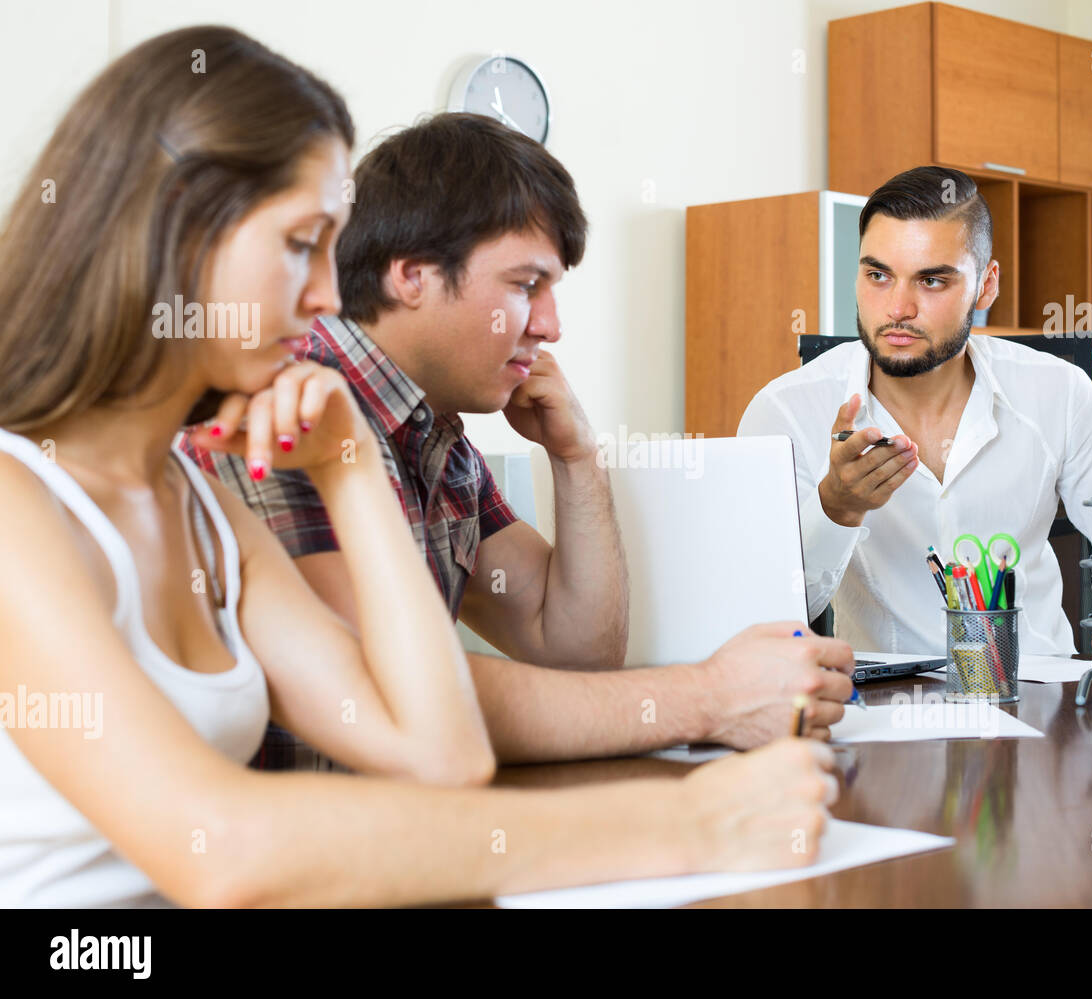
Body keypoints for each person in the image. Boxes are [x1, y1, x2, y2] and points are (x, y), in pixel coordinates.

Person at [0, 25, 837, 907]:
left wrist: (350, 465)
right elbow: (224, 854)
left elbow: (445, 754)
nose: (326, 294)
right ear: (175, 230)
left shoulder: (200, 501)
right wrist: (686, 825)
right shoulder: (20, 500)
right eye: (299, 243)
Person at [179, 112, 855, 771]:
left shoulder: (436, 431)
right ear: (411, 276)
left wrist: (577, 458)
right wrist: (711, 697)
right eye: (527, 285)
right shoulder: (285, 413)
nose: (552, 325)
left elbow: (574, 649)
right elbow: (385, 700)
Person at [739, 165, 1092, 657]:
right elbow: (761, 613)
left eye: (932, 281)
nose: (897, 308)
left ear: (986, 285)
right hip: (883, 705)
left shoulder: (1059, 392)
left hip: (1038, 695)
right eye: (877, 275)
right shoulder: (784, 411)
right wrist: (837, 509)